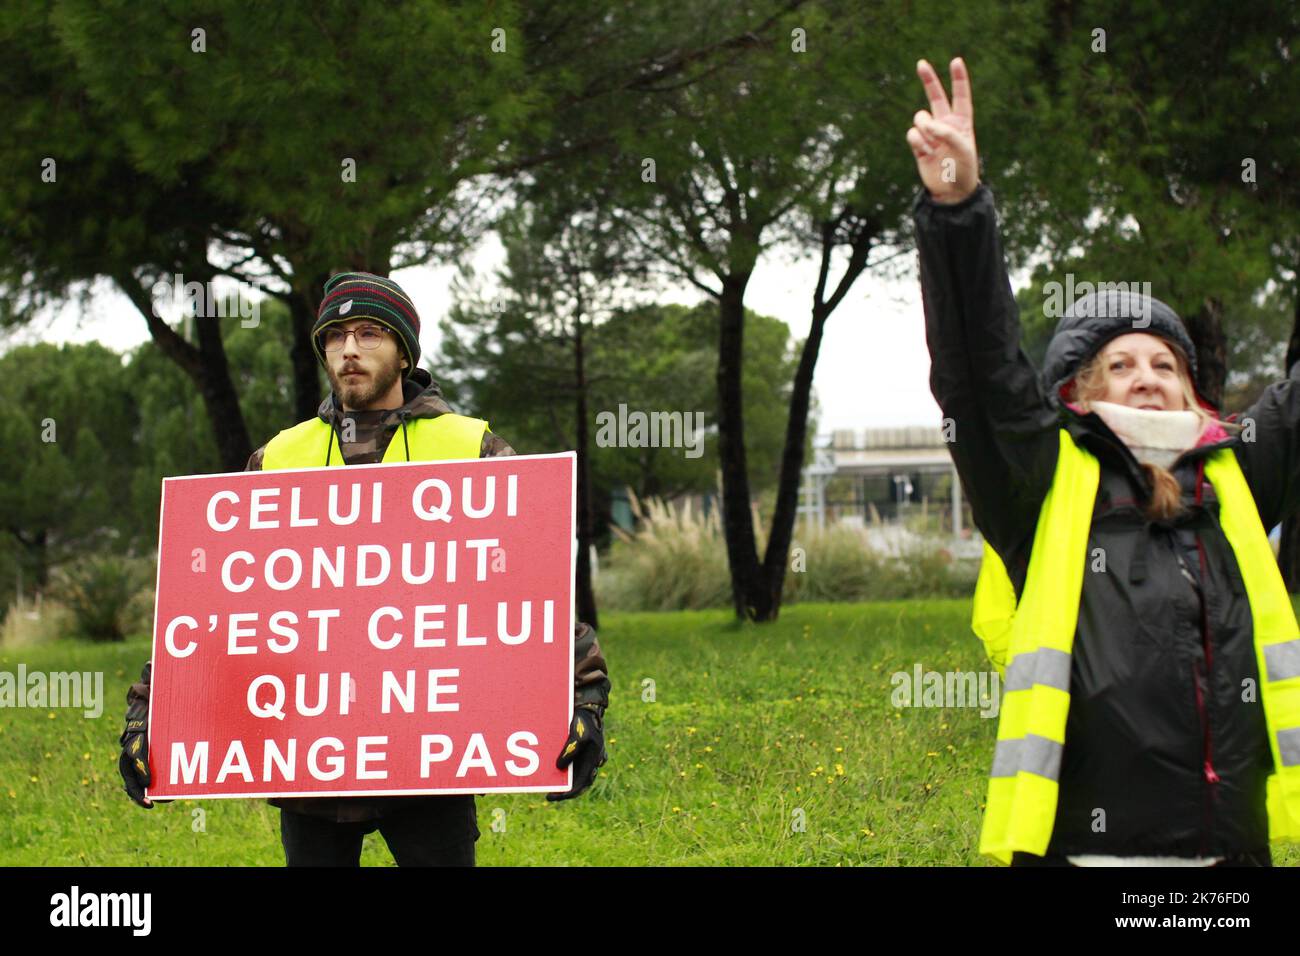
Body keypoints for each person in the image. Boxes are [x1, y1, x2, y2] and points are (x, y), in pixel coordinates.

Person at [908, 57, 1300, 865]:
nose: (1148, 377)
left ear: (1194, 390)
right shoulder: (1043, 481)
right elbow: (980, 377)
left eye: (1166, 364)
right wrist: (958, 214)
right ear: (1079, 391)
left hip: (1231, 857)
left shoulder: (1232, 473)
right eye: (1121, 365)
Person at [118, 271, 610, 866]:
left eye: (371, 333)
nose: (350, 349)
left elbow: (529, 592)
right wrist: (151, 716)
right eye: (336, 336)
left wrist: (583, 701)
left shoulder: (471, 448)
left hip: (434, 759)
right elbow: (214, 611)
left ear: (403, 351)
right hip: (310, 769)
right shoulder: (276, 460)